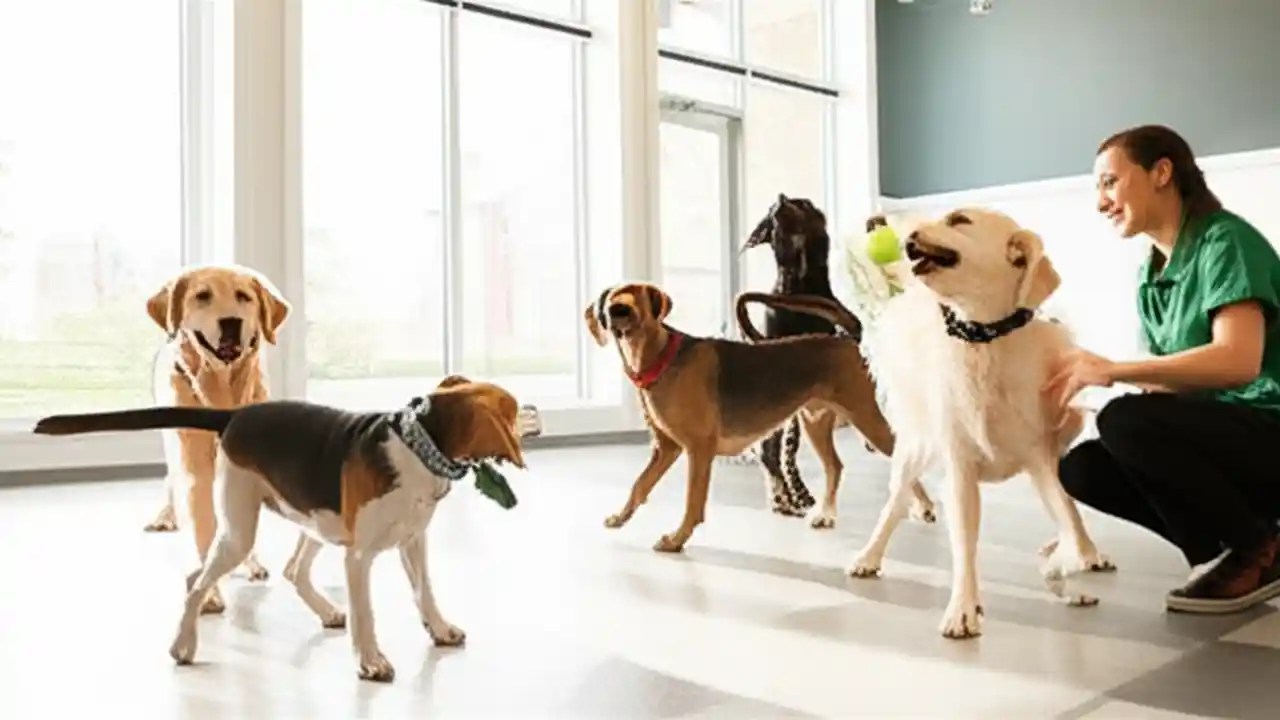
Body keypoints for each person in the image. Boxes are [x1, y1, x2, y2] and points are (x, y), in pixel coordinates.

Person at [1044, 124, 1280, 614]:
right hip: (1231, 439)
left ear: (1162, 172)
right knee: (1081, 466)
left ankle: (1258, 547)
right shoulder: (1151, 276)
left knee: (1125, 420)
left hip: (1268, 429)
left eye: (1110, 182)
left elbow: (1238, 361)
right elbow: (1169, 384)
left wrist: (1115, 371)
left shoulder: (1224, 242)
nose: (1101, 201)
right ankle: (1215, 555)